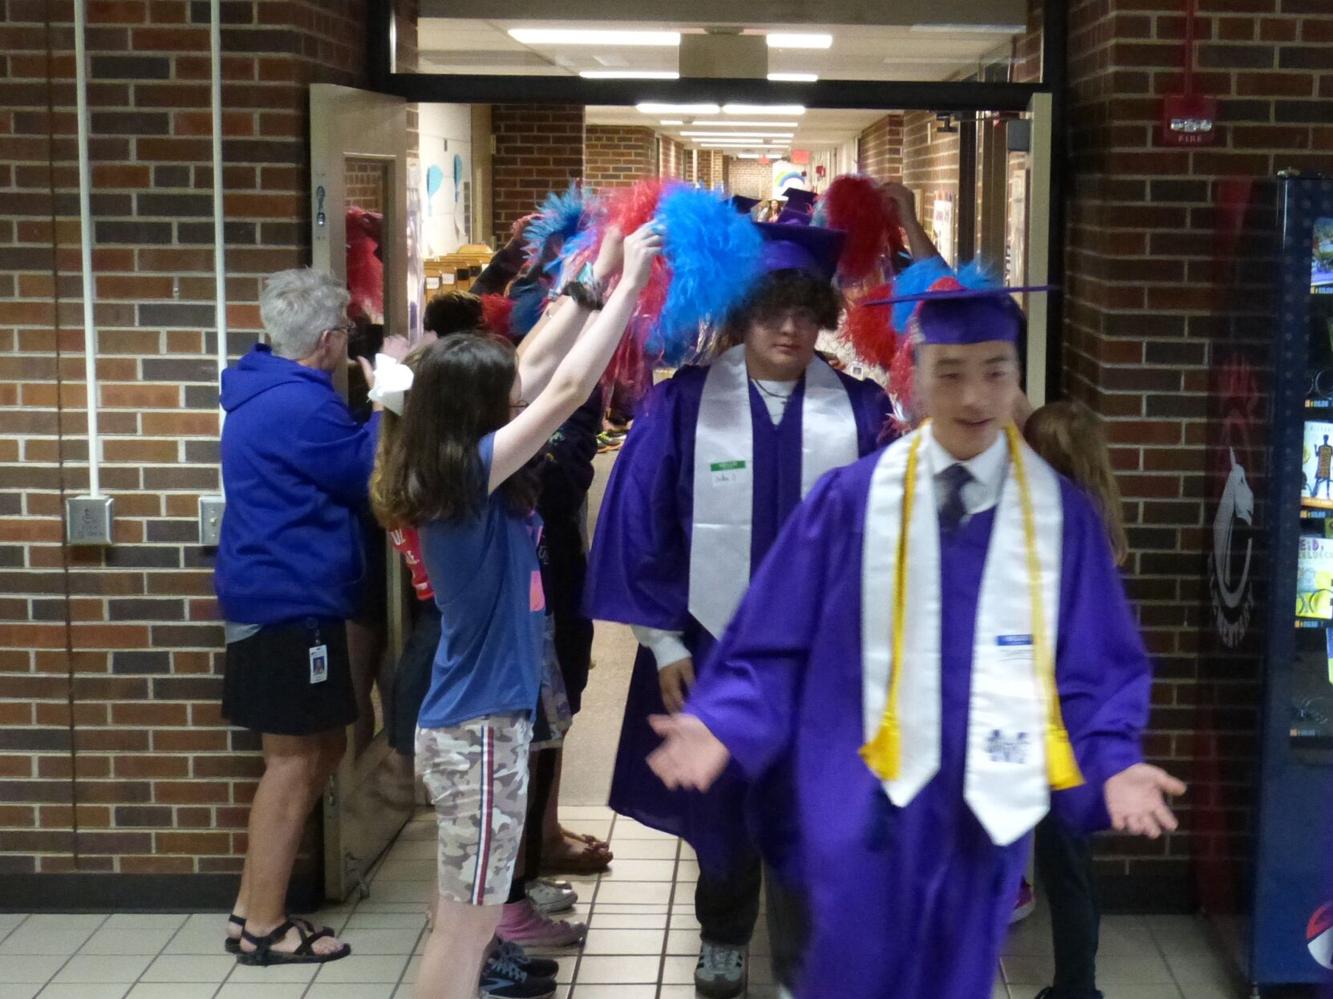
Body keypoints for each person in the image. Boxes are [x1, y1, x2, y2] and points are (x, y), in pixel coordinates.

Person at [646, 267, 1185, 999]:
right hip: (861, 799)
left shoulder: (1060, 518)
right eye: (949, 371)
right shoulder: (850, 500)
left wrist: (1111, 759)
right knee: (847, 974)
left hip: (980, 819)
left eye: (994, 371)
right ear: (917, 377)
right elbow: (775, 636)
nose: (972, 395)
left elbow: (1093, 666)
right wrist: (725, 718)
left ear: (1015, 378)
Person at [584, 220, 893, 999]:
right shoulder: (679, 406)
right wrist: (661, 646)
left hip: (826, 657)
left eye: (804, 312)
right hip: (707, 645)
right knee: (719, 801)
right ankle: (723, 932)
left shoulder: (861, 411)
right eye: (769, 311)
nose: (788, 329)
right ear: (738, 314)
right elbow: (638, 526)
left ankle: (801, 961)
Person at [369, 223, 661, 999]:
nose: (518, 393)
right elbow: (562, 389)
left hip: (469, 723)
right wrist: (629, 289)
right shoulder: (466, 477)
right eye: (504, 395)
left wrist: (588, 280)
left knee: (460, 914)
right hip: (481, 732)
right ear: (477, 410)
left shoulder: (437, 452)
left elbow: (532, 367)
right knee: (465, 933)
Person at [214, 267, 406, 965]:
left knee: (320, 747)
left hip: (288, 597)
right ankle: (264, 925)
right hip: (286, 603)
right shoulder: (298, 405)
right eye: (346, 333)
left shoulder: (266, 388)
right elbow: (370, 476)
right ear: (328, 340)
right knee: (294, 761)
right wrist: (392, 391)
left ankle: (249, 908)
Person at [1022, 400, 1129, 999]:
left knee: (1063, 863)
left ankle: (1077, 988)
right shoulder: (1100, 520)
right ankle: (1077, 982)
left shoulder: (1058, 531)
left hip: (1055, 722)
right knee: (1071, 863)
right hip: (1084, 721)